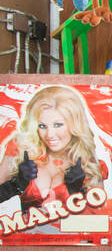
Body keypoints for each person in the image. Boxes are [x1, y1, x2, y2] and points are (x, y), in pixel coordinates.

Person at [0, 84, 106, 213]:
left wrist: (78, 192)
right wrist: (16, 184)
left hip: (69, 232)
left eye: (57, 125)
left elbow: (100, 218)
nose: (50, 135)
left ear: (74, 124)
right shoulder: (21, 148)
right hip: (24, 233)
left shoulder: (88, 161)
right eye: (42, 126)